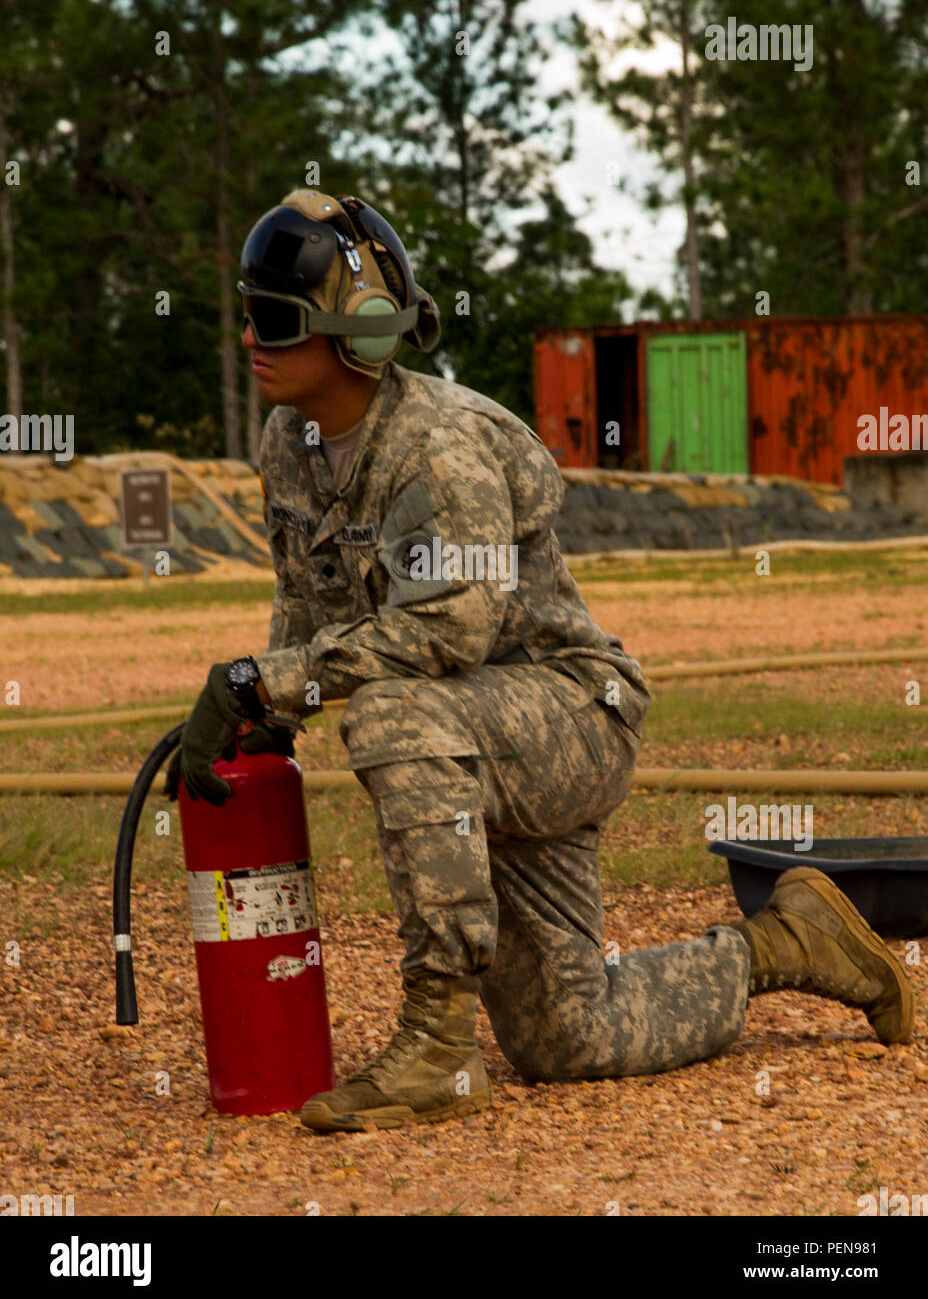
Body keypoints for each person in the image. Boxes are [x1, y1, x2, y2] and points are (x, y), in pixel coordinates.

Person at [167, 188, 914, 1133]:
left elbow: (447, 633)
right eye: (246, 314)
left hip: (570, 716)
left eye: (271, 319)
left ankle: (437, 1048)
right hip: (481, 740)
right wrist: (256, 712)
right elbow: (308, 611)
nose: (248, 339)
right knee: (568, 1036)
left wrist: (262, 679)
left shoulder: (439, 449)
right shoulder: (290, 443)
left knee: (394, 716)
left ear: (357, 331)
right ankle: (791, 942)